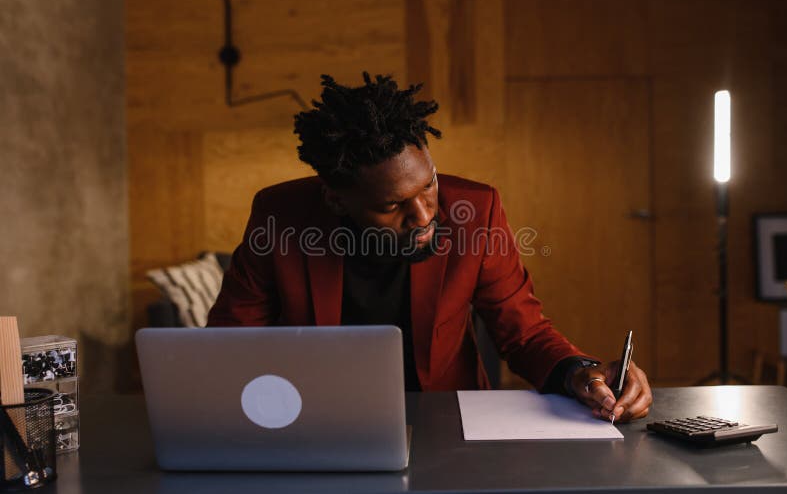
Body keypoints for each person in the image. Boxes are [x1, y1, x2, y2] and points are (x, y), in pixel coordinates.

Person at [207, 72, 652, 423]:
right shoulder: (280, 216)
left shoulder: (476, 210)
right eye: (393, 205)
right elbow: (231, 340)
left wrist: (581, 373)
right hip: (312, 419)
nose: (424, 216)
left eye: (429, 186)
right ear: (336, 199)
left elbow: (524, 332)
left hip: (449, 422)